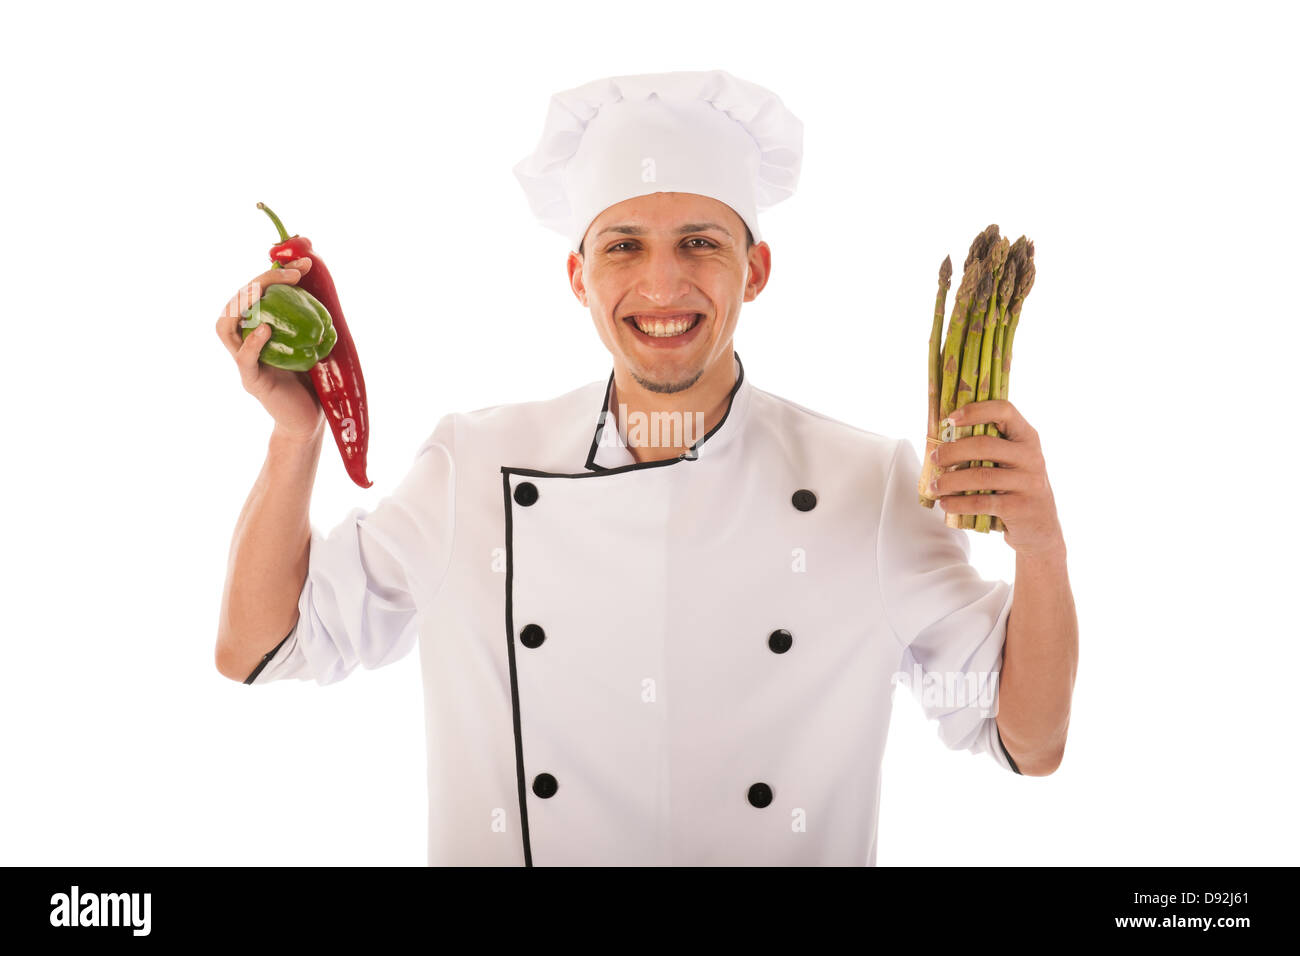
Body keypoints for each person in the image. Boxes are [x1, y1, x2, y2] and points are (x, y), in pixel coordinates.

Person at [213, 70, 1078, 866]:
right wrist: (296, 439)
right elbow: (260, 646)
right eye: (623, 246)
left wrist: (1041, 551)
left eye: (700, 242)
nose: (663, 285)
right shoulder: (471, 468)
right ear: (578, 278)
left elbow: (1028, 742)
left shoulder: (872, 484)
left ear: (757, 269)